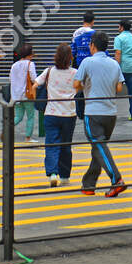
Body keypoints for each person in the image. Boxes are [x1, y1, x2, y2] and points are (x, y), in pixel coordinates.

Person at [77, 32, 127, 197]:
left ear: (92, 45)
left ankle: (117, 179)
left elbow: (76, 84)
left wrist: (86, 85)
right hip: (110, 114)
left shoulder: (87, 62)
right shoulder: (114, 64)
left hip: (93, 112)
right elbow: (119, 87)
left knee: (99, 146)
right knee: (99, 148)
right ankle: (88, 184)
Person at [42, 42, 81, 187]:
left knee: (51, 144)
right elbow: (81, 87)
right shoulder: (75, 73)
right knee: (66, 145)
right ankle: (64, 177)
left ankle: (52, 173)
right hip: (69, 114)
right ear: (70, 57)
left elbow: (35, 84)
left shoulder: (49, 71)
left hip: (51, 113)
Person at [8, 42, 39, 142]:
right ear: (29, 55)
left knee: (18, 116)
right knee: (30, 116)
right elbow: (34, 79)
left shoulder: (14, 65)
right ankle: (28, 138)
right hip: (27, 94)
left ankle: (6, 130)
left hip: (16, 95)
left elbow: (10, 79)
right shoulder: (30, 64)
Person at [113, 19, 132, 124]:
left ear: (121, 27)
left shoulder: (118, 38)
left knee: (113, 90)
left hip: (122, 67)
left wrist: (116, 68)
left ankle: (109, 113)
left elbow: (118, 53)